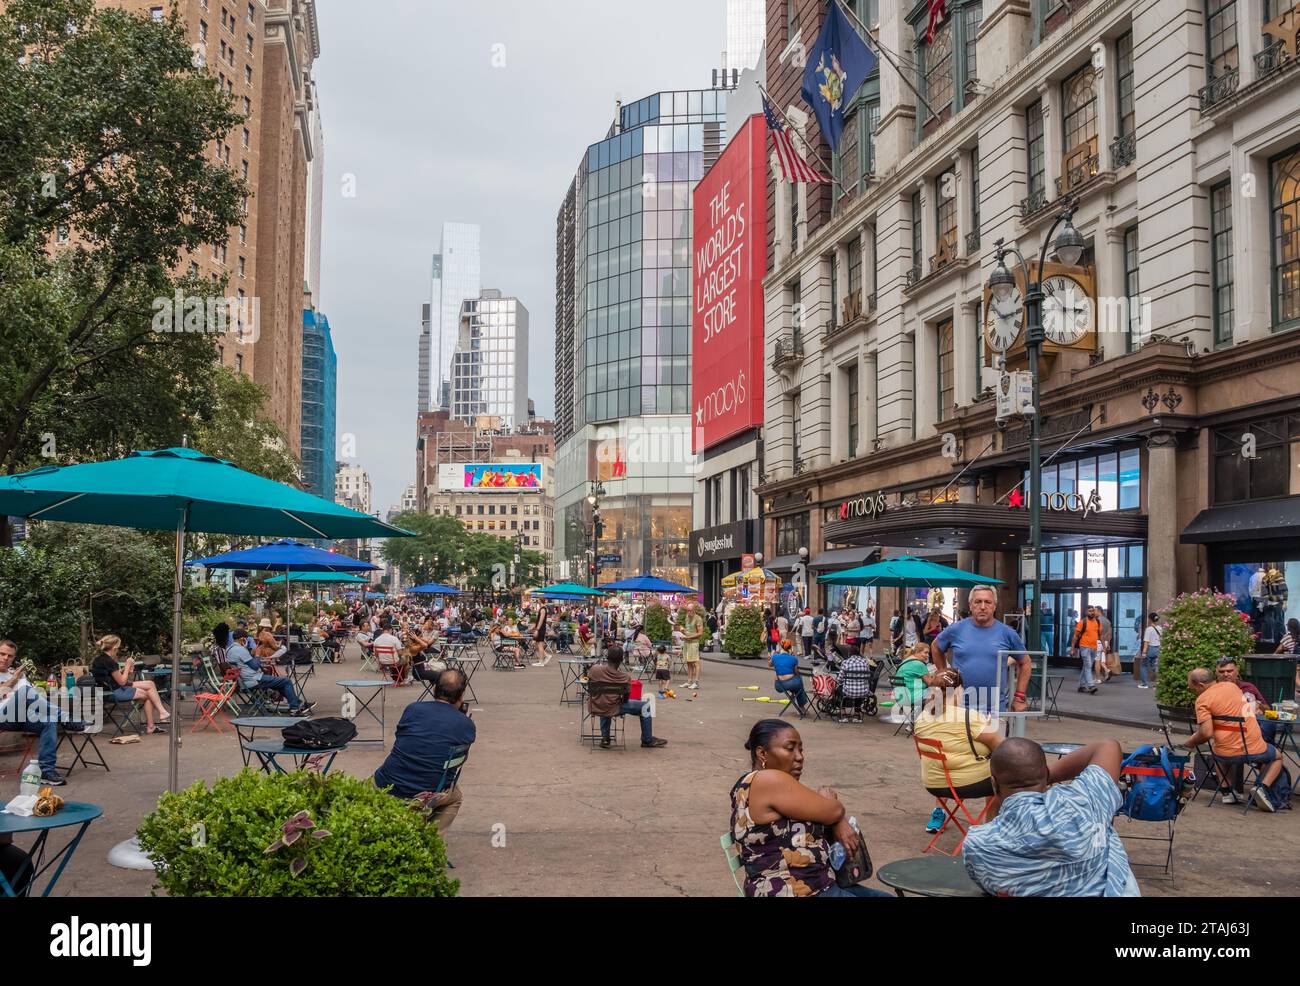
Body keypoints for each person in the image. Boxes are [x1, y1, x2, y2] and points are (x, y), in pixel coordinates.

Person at [729, 719, 891, 897]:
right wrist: (832, 808)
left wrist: (836, 819)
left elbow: (827, 812)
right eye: (790, 748)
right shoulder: (768, 780)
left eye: (800, 749)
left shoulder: (757, 784)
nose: (799, 756)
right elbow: (833, 810)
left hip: (818, 885)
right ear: (762, 753)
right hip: (790, 890)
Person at [962, 738, 1140, 896]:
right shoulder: (1083, 802)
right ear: (1046, 774)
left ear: (994, 784)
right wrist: (1042, 776)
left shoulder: (977, 845)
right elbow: (1108, 746)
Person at [373, 669, 476, 832]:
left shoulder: (413, 709)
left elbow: (401, 737)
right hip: (430, 793)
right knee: (455, 797)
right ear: (461, 695)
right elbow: (458, 760)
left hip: (386, 784)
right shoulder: (466, 724)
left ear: (435, 689)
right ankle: (430, 840)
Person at [913, 667, 1004, 834]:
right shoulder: (970, 717)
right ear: (957, 690)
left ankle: (939, 811)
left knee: (951, 763)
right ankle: (991, 828)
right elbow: (1001, 747)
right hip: (968, 784)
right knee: (1001, 776)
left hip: (934, 784)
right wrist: (989, 727)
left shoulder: (921, 718)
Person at [1180, 667, 1283, 811]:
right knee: (1277, 756)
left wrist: (1190, 742)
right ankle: (1262, 787)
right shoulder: (1232, 687)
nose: (1195, 692)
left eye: (1194, 689)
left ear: (1201, 686)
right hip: (1252, 749)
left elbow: (1206, 732)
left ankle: (1226, 791)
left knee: (1217, 750)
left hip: (1224, 754)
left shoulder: (1202, 700)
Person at [931, 586, 1030, 713]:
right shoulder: (956, 629)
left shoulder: (1007, 633)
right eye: (978, 602)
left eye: (988, 602)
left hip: (993, 709)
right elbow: (935, 647)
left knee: (993, 733)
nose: (983, 606)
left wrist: (1019, 697)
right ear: (970, 605)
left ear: (994, 606)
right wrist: (944, 675)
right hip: (959, 706)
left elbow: (1025, 662)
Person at [0, 640, 72, 786]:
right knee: (25, 691)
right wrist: (14, 681)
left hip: (21, 716)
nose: (5, 658)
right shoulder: (15, 676)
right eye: (2, 654)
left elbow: (34, 697)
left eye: (10, 656)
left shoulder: (17, 674)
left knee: (48, 721)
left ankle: (47, 771)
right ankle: (67, 719)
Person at [586, 645, 667, 749]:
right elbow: (625, 699)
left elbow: (588, 685)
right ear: (621, 659)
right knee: (646, 706)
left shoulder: (594, 669)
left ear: (607, 657)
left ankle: (605, 738)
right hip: (613, 707)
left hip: (595, 705)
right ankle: (647, 740)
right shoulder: (624, 677)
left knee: (605, 700)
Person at [91, 634, 171, 733]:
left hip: (105, 690)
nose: (119, 650)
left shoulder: (99, 659)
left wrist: (124, 670)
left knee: (150, 684)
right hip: (113, 692)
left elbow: (111, 676)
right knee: (148, 695)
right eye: (118, 647)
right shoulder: (110, 662)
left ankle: (161, 712)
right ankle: (151, 726)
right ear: (114, 647)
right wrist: (128, 666)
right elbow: (122, 681)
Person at [226, 628, 314, 715]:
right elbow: (255, 666)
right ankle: (295, 708)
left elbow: (246, 665)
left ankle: (298, 704)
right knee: (286, 681)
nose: (248, 642)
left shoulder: (229, 650)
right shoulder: (240, 650)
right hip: (253, 680)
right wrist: (257, 654)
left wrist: (258, 661)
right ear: (243, 639)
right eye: (247, 639)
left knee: (280, 684)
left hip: (244, 681)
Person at [1069, 604, 1104, 694]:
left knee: (1086, 666)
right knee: (1088, 666)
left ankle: (1081, 686)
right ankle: (1091, 685)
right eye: (1090, 611)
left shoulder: (1098, 622)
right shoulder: (1082, 622)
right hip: (1084, 647)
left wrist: (1104, 646)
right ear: (1086, 612)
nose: (1092, 612)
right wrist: (1072, 648)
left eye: (1093, 611)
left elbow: (1101, 635)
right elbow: (1075, 636)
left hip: (1094, 648)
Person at [770, 638, 809, 714]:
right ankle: (801, 707)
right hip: (791, 683)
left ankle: (793, 695)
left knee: (797, 685)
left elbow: (770, 664)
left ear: (781, 647)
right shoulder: (793, 658)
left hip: (779, 685)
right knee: (799, 682)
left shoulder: (775, 657)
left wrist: (773, 656)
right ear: (790, 648)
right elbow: (796, 672)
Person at [680, 600, 704, 690]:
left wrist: (688, 637)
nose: (688, 612)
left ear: (694, 610)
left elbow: (700, 633)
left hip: (694, 643)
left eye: (690, 610)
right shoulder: (687, 617)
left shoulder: (698, 619)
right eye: (687, 610)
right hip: (687, 642)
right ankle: (689, 681)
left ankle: (696, 682)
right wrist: (683, 631)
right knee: (688, 662)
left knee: (696, 662)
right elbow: (688, 630)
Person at [1137, 612, 1162, 689]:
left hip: (1150, 649)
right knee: (1155, 666)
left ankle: (1144, 684)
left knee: (1144, 666)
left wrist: (1144, 652)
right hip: (1158, 648)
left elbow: (1146, 642)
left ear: (1150, 619)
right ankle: (1159, 683)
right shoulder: (1160, 628)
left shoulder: (1149, 629)